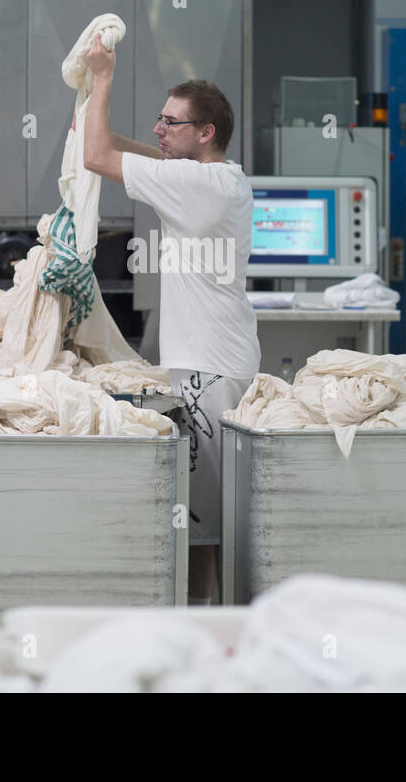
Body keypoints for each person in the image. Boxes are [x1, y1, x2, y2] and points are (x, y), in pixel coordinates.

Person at [80, 34, 260, 604]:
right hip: (214, 362)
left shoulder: (197, 186)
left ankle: (209, 626)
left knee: (204, 512)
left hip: (206, 371)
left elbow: (96, 156)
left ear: (205, 133)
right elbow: (131, 154)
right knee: (204, 512)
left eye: (171, 122)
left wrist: (102, 79)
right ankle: (199, 618)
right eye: (158, 119)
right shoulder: (217, 176)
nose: (160, 130)